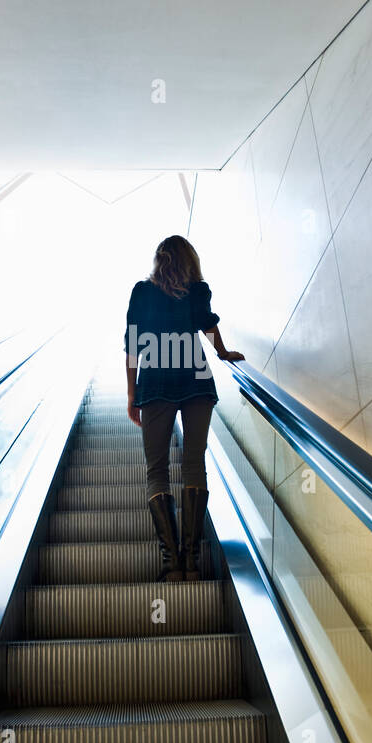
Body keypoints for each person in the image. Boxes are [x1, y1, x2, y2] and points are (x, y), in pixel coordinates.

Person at [124, 236, 244, 581]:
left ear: (159, 261)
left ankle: (171, 564)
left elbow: (132, 344)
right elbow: (208, 324)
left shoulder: (142, 292)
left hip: (157, 384)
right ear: (190, 260)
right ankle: (190, 562)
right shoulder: (197, 290)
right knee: (194, 463)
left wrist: (132, 393)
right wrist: (223, 353)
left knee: (157, 469)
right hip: (195, 380)